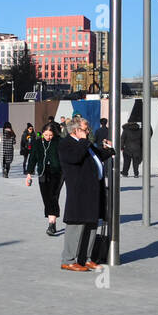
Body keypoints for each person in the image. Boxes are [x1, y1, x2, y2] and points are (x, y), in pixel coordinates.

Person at [58, 117, 114, 272]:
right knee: (76, 225)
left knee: (91, 225)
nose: (88, 131)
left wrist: (109, 150)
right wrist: (84, 142)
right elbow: (75, 158)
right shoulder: (66, 144)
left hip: (92, 191)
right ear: (76, 130)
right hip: (79, 192)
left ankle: (86, 258)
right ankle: (68, 259)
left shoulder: (86, 144)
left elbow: (97, 156)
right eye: (85, 129)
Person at [26, 121, 62, 236]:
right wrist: (29, 174)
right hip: (43, 173)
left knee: (53, 196)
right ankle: (51, 221)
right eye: (46, 135)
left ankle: (51, 224)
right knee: (46, 197)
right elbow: (32, 158)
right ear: (42, 133)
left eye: (50, 135)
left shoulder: (59, 142)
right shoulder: (37, 143)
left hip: (57, 173)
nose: (48, 137)